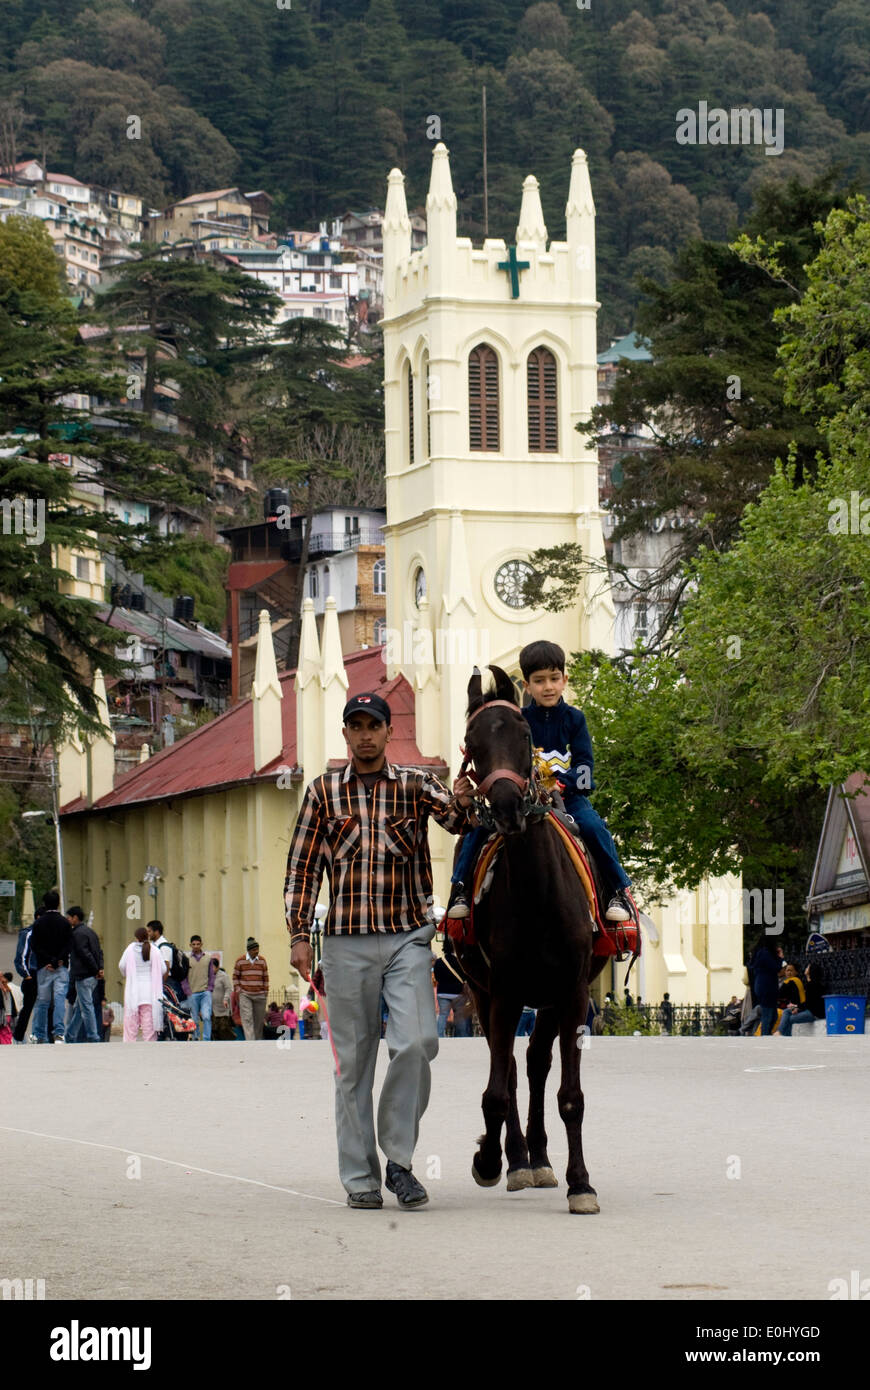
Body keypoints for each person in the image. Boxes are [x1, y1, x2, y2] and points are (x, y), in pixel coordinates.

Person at [284, 690, 473, 1210]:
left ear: (390, 732)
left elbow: (461, 823)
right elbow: (302, 868)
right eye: (356, 725)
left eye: (375, 725)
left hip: (408, 937)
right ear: (345, 733)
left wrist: (464, 796)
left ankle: (399, 1160)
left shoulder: (415, 785)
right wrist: (300, 934)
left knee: (415, 1044)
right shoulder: (323, 793)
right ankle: (360, 1179)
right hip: (344, 943)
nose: (365, 734)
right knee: (353, 1065)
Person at [447, 640, 632, 923]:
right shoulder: (519, 719)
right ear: (527, 685)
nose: (548, 686)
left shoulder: (575, 719)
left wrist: (563, 785)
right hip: (525, 798)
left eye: (554, 678)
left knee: (595, 827)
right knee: (479, 828)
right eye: (539, 680)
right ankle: (460, 888)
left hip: (569, 798)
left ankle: (619, 890)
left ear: (564, 680)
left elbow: (585, 766)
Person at [29, 890, 72, 1043]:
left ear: (44, 904)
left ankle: (40, 1034)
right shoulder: (65, 922)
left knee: (43, 1001)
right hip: (61, 967)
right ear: (58, 903)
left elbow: (35, 945)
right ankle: (59, 1033)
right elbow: (69, 944)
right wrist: (58, 960)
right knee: (60, 999)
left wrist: (48, 960)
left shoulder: (39, 922)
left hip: (44, 967)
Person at [119, 926, 167, 1041]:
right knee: (149, 1025)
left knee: (131, 1022)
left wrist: (127, 974)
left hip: (134, 992)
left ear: (136, 938)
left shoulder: (130, 949)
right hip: (150, 993)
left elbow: (121, 966)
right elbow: (163, 969)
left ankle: (129, 1044)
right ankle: (149, 1046)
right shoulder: (155, 950)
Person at [65, 906, 103, 1044]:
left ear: (75, 918)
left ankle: (93, 1036)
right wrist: (100, 968)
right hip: (92, 976)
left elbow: (84, 953)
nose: (68, 920)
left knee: (86, 1007)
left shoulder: (77, 934)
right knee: (80, 1006)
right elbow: (99, 952)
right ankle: (70, 1034)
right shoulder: (90, 932)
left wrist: (95, 969)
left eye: (69, 917)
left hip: (83, 975)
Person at [232, 939, 269, 1040]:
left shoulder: (262, 960)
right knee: (247, 1018)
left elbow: (265, 977)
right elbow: (235, 977)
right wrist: (239, 990)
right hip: (245, 994)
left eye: (257, 949)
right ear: (249, 950)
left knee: (259, 1020)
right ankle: (250, 1042)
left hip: (260, 995)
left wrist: (265, 992)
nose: (256, 951)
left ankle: (257, 1041)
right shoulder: (240, 961)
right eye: (254, 950)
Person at [779, 962, 825, 1036]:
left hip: (814, 1014)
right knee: (787, 1012)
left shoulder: (813, 985)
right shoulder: (809, 984)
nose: (806, 968)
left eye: (808, 967)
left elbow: (809, 1004)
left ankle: (781, 1033)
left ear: (810, 971)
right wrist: (795, 1007)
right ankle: (784, 1035)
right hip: (808, 1010)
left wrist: (797, 1008)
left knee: (790, 1018)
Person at [13, 915, 39, 1043]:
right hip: (31, 975)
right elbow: (20, 957)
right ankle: (18, 1036)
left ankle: (39, 1034)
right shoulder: (28, 934)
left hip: (45, 973)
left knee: (44, 1006)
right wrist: (26, 975)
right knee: (28, 1008)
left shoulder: (47, 932)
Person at [749, 936, 782, 1035]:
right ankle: (765, 1036)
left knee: (773, 1015)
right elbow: (776, 968)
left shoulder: (760, 953)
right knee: (768, 1014)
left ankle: (766, 1034)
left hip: (763, 986)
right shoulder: (765, 953)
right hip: (767, 987)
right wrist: (780, 957)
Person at [185, 935, 214, 1041]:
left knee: (206, 1016)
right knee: (194, 1019)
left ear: (201, 944)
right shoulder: (187, 959)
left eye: (198, 944)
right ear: (190, 945)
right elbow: (184, 976)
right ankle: (196, 1038)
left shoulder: (208, 957)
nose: (196, 946)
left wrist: (210, 988)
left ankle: (206, 1039)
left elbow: (211, 974)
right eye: (194, 944)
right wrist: (187, 990)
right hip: (192, 993)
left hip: (205, 992)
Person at [432, 953, 462, 1038]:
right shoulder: (458, 960)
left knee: (443, 1015)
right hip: (458, 992)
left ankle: (439, 1036)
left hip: (443, 992)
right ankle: (461, 1036)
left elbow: (437, 977)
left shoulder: (439, 962)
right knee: (459, 1015)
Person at [211, 959, 234, 1040]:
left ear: (217, 967)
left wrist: (225, 999)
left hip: (222, 1008)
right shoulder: (208, 976)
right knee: (214, 1030)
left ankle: (230, 1041)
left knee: (224, 1029)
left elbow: (229, 988)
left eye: (212, 967)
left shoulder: (223, 976)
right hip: (212, 1008)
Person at [0, 973, 18, 1044]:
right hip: (8, 1014)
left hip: (4, 1014)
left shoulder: (4, 988)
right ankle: (6, 1044)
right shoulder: (6, 988)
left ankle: (5, 1044)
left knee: (4, 1031)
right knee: (6, 1031)